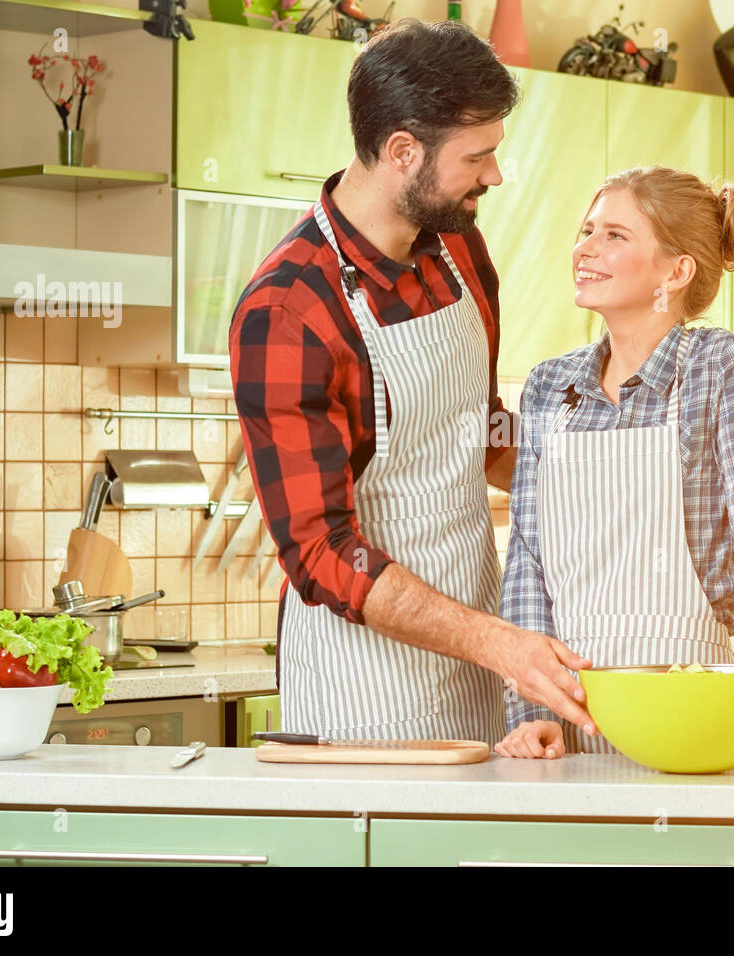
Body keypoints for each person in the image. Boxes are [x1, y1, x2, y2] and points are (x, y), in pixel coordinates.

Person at [230, 18, 595, 745]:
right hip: (364, 691)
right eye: (478, 156)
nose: (494, 175)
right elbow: (322, 552)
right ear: (403, 152)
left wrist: (596, 470)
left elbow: (479, 431)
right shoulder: (290, 310)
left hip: (484, 660)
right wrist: (497, 643)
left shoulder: (459, 247)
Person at [495, 165, 734, 763]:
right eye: (587, 230)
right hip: (571, 725)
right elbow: (527, 564)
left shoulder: (723, 367)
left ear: (677, 272)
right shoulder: (552, 386)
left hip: (687, 716)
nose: (586, 248)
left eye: (615, 235)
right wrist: (532, 714)